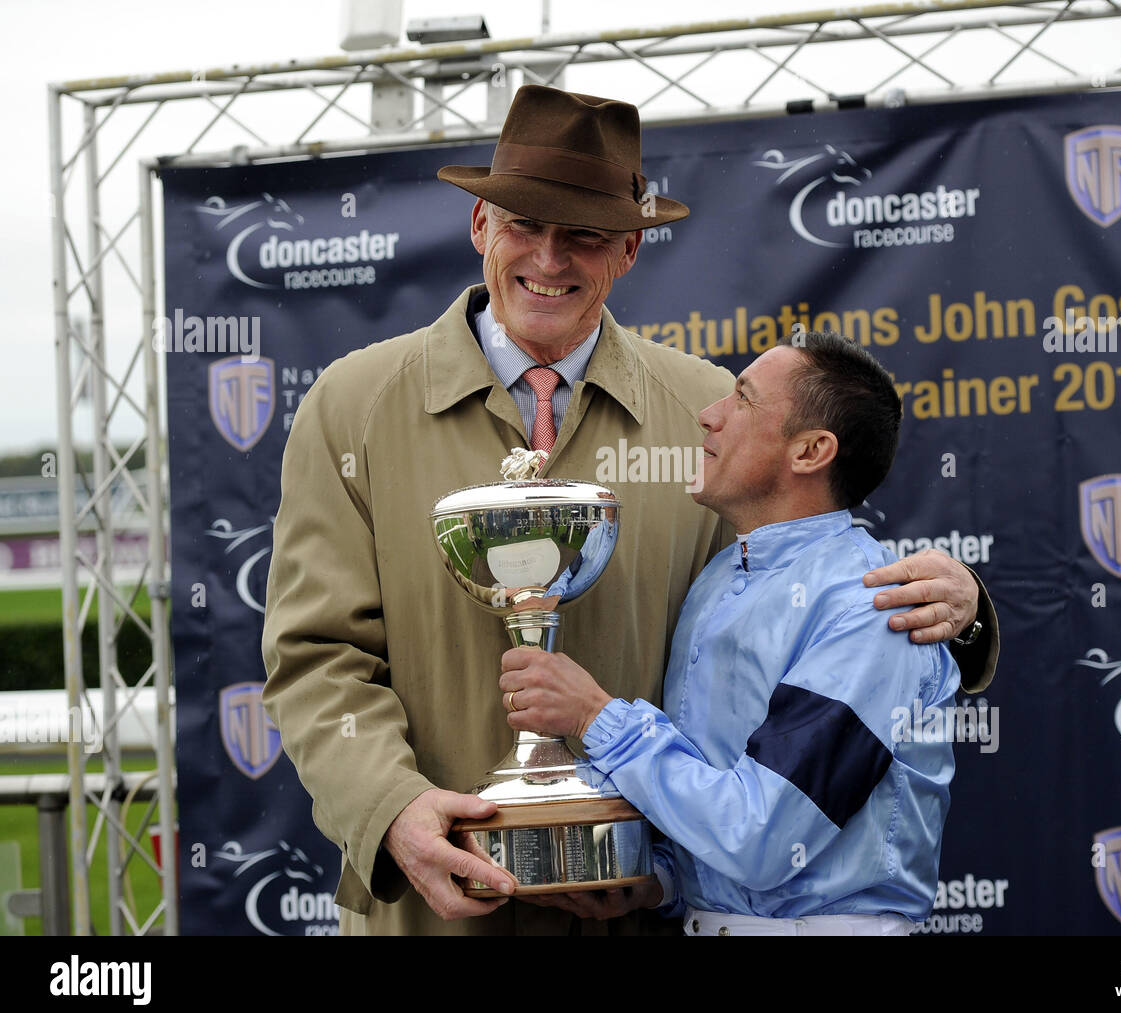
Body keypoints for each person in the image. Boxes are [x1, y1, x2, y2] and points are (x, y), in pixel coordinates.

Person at [261, 85, 997, 936]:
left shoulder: (708, 408)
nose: (549, 256)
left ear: (631, 250)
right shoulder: (352, 405)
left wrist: (964, 614)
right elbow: (316, 659)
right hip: (431, 915)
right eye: (522, 225)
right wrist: (393, 809)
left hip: (646, 915)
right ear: (479, 228)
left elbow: (804, 598)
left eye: (584, 233)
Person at [500, 332, 957, 935]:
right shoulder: (720, 577)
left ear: (811, 450)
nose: (709, 415)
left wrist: (594, 717)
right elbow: (720, 795)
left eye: (742, 399)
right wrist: (657, 879)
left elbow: (760, 836)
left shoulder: (874, 611)